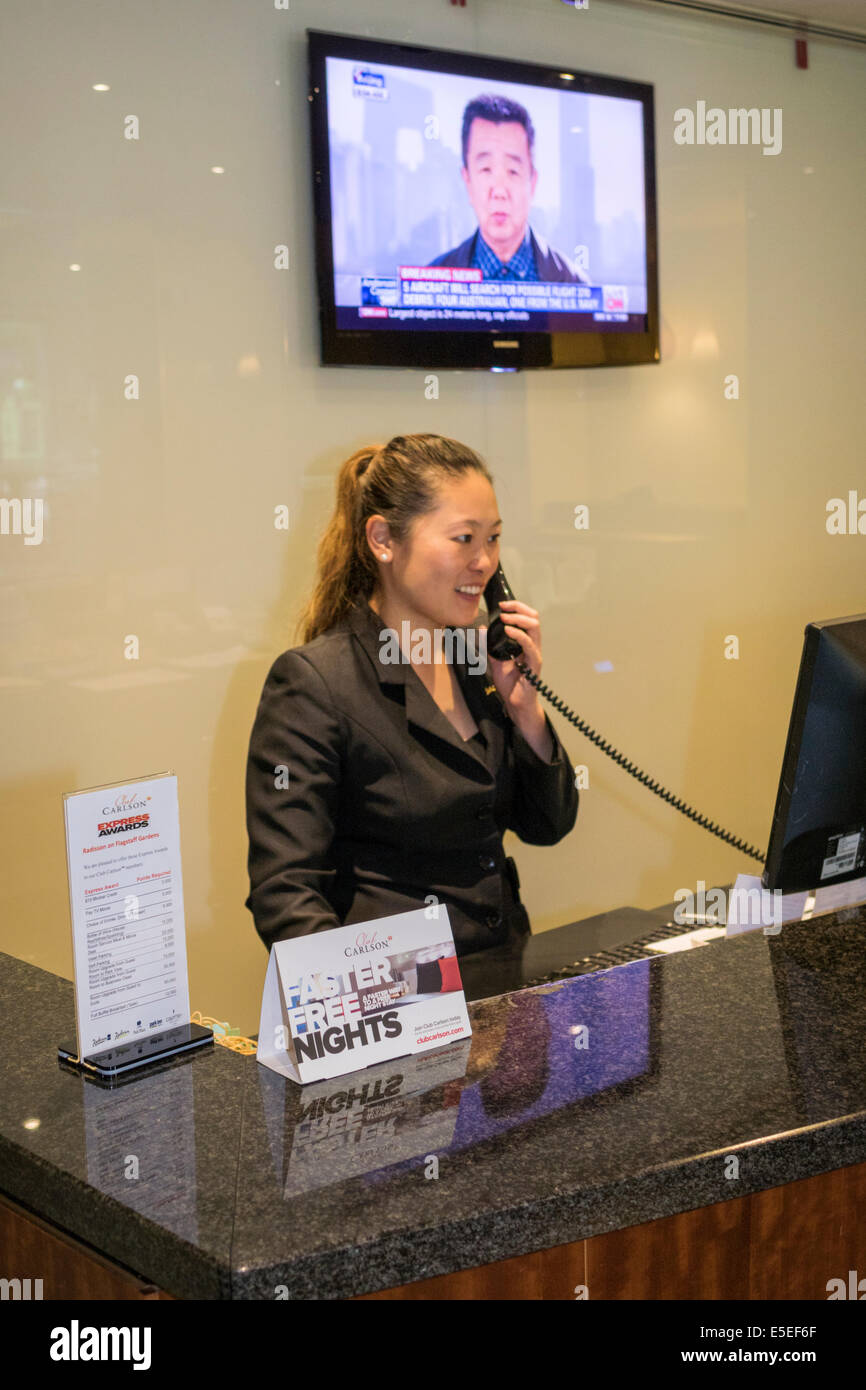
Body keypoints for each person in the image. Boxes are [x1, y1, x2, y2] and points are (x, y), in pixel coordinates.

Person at [245, 433, 578, 957]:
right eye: (463, 539)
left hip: (505, 981)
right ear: (383, 539)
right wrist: (371, 1009)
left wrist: (524, 709)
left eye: (493, 539)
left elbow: (549, 824)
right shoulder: (314, 683)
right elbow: (285, 892)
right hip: (399, 1003)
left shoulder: (477, 661)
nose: (485, 562)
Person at [429, 94, 587, 285]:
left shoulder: (574, 283)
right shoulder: (434, 279)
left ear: (533, 183)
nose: (499, 192)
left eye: (513, 171)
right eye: (486, 169)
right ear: (467, 181)